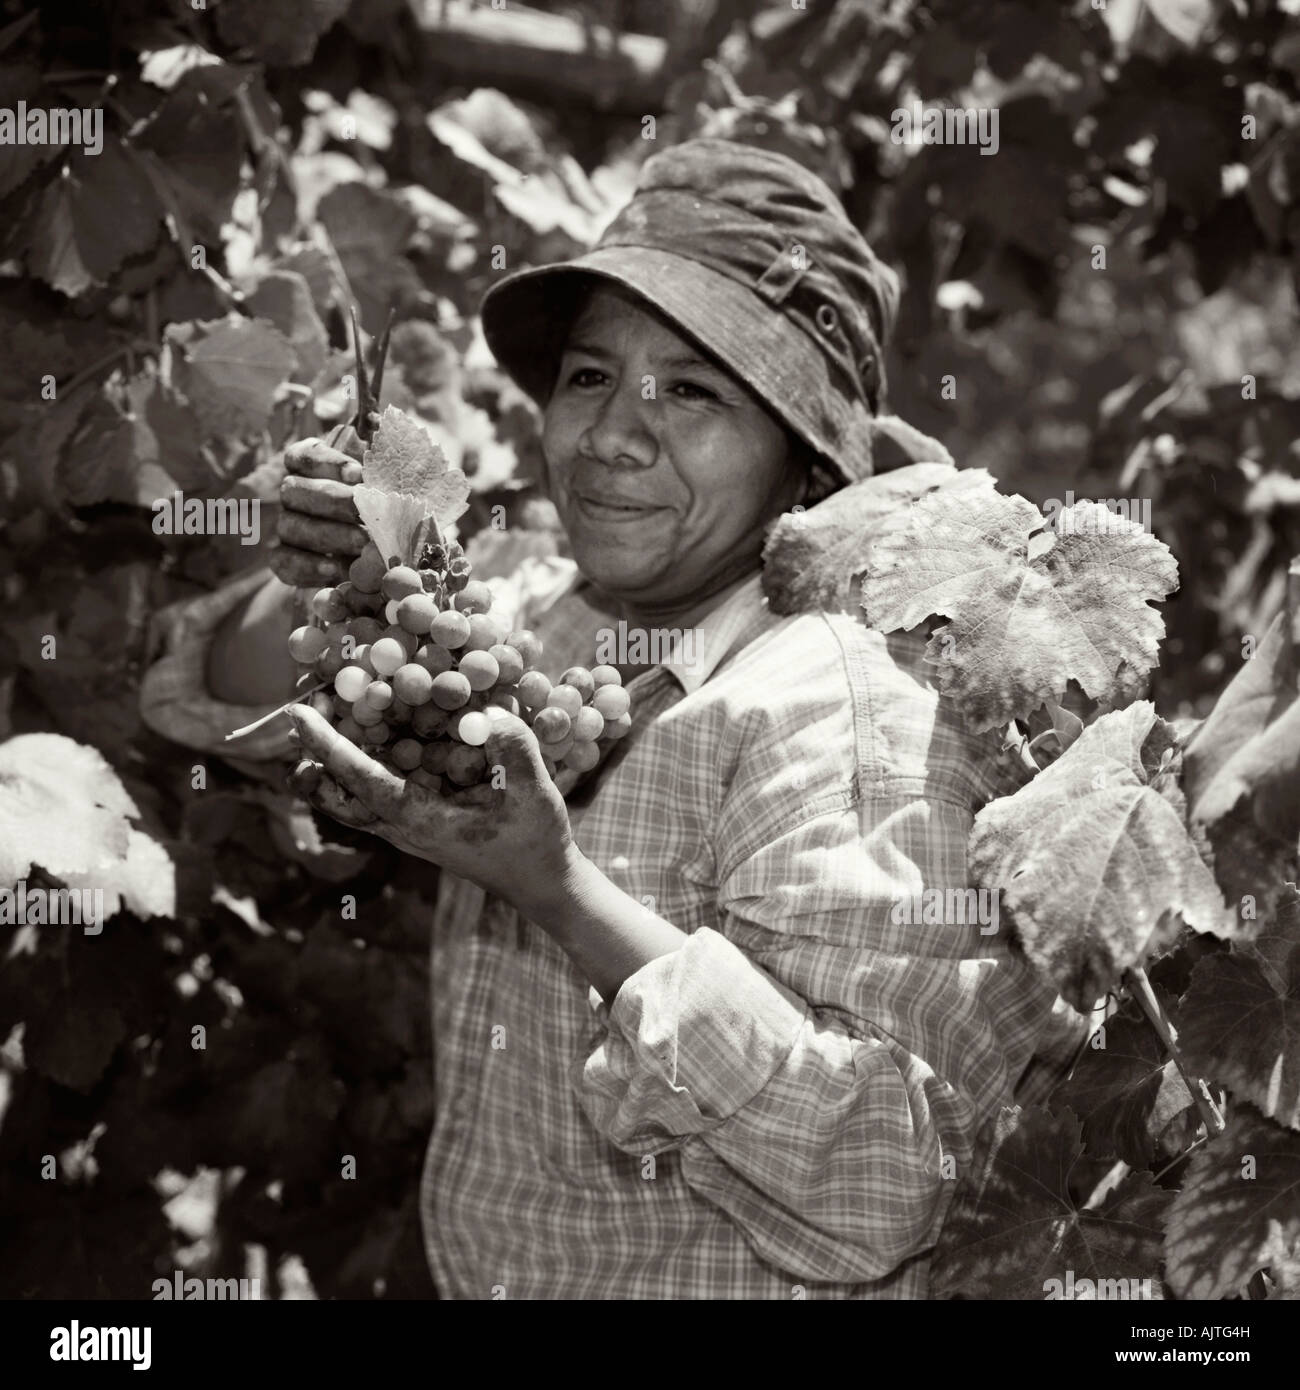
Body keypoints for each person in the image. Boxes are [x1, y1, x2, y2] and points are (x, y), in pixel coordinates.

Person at [141, 137, 1076, 1298]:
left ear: (807, 462)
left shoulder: (842, 711)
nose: (614, 434)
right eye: (590, 377)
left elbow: (888, 1180)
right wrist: (334, 567)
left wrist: (559, 892)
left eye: (690, 391)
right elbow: (210, 696)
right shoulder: (560, 618)